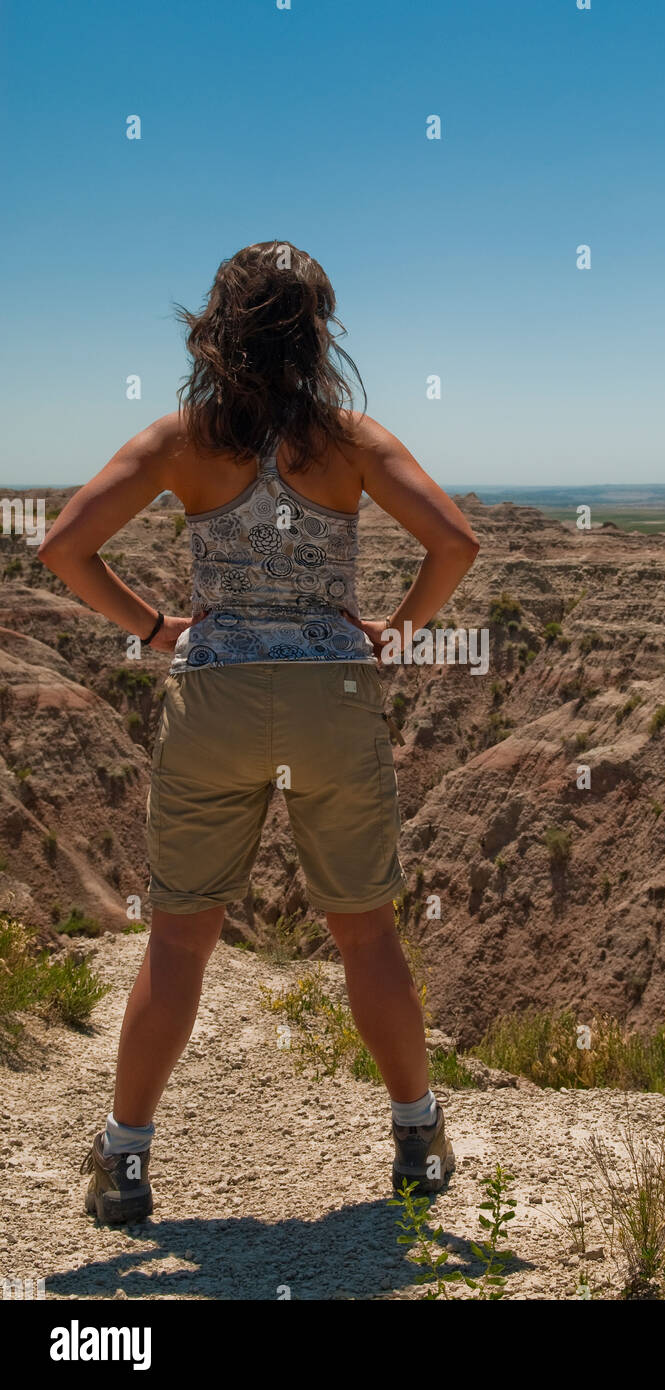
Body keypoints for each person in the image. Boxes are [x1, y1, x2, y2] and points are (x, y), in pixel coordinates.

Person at [37, 240, 480, 1224]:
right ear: (317, 332)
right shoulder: (352, 439)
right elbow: (455, 541)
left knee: (179, 941)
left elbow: (63, 546)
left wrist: (153, 626)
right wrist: (397, 630)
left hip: (217, 695)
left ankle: (125, 1162)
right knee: (365, 933)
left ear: (217, 326)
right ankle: (418, 1139)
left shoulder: (180, 439)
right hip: (330, 696)